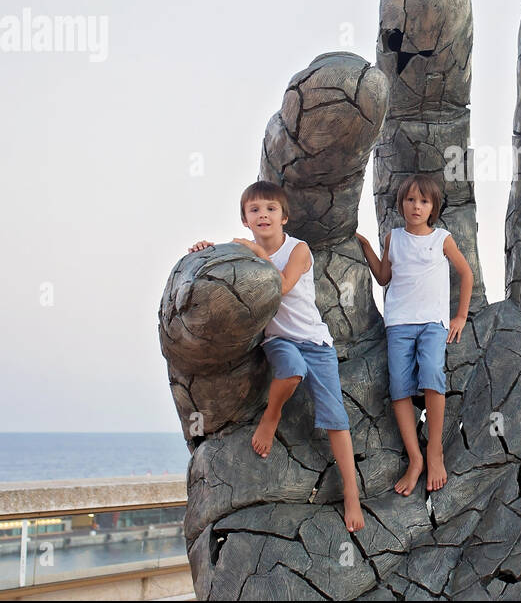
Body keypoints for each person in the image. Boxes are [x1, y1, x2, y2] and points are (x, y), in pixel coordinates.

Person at [187, 181, 364, 532]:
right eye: (254, 210)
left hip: (315, 341)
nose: (263, 215)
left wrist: (255, 252)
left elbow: (281, 285)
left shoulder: (298, 249)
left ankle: (352, 493)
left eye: (270, 209)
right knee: (292, 369)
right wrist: (205, 249)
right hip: (279, 339)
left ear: (284, 217)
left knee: (335, 418)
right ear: (244, 219)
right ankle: (271, 416)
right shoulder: (245, 249)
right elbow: (222, 264)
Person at [357, 173, 473, 496]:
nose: (416, 206)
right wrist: (367, 245)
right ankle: (415, 459)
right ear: (401, 204)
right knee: (399, 387)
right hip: (399, 323)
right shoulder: (393, 237)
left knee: (433, 374)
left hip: (433, 322)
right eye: (410, 200)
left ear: (433, 207)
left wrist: (460, 316)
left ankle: (434, 451)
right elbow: (383, 277)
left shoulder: (441, 239)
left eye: (423, 201)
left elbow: (466, 273)